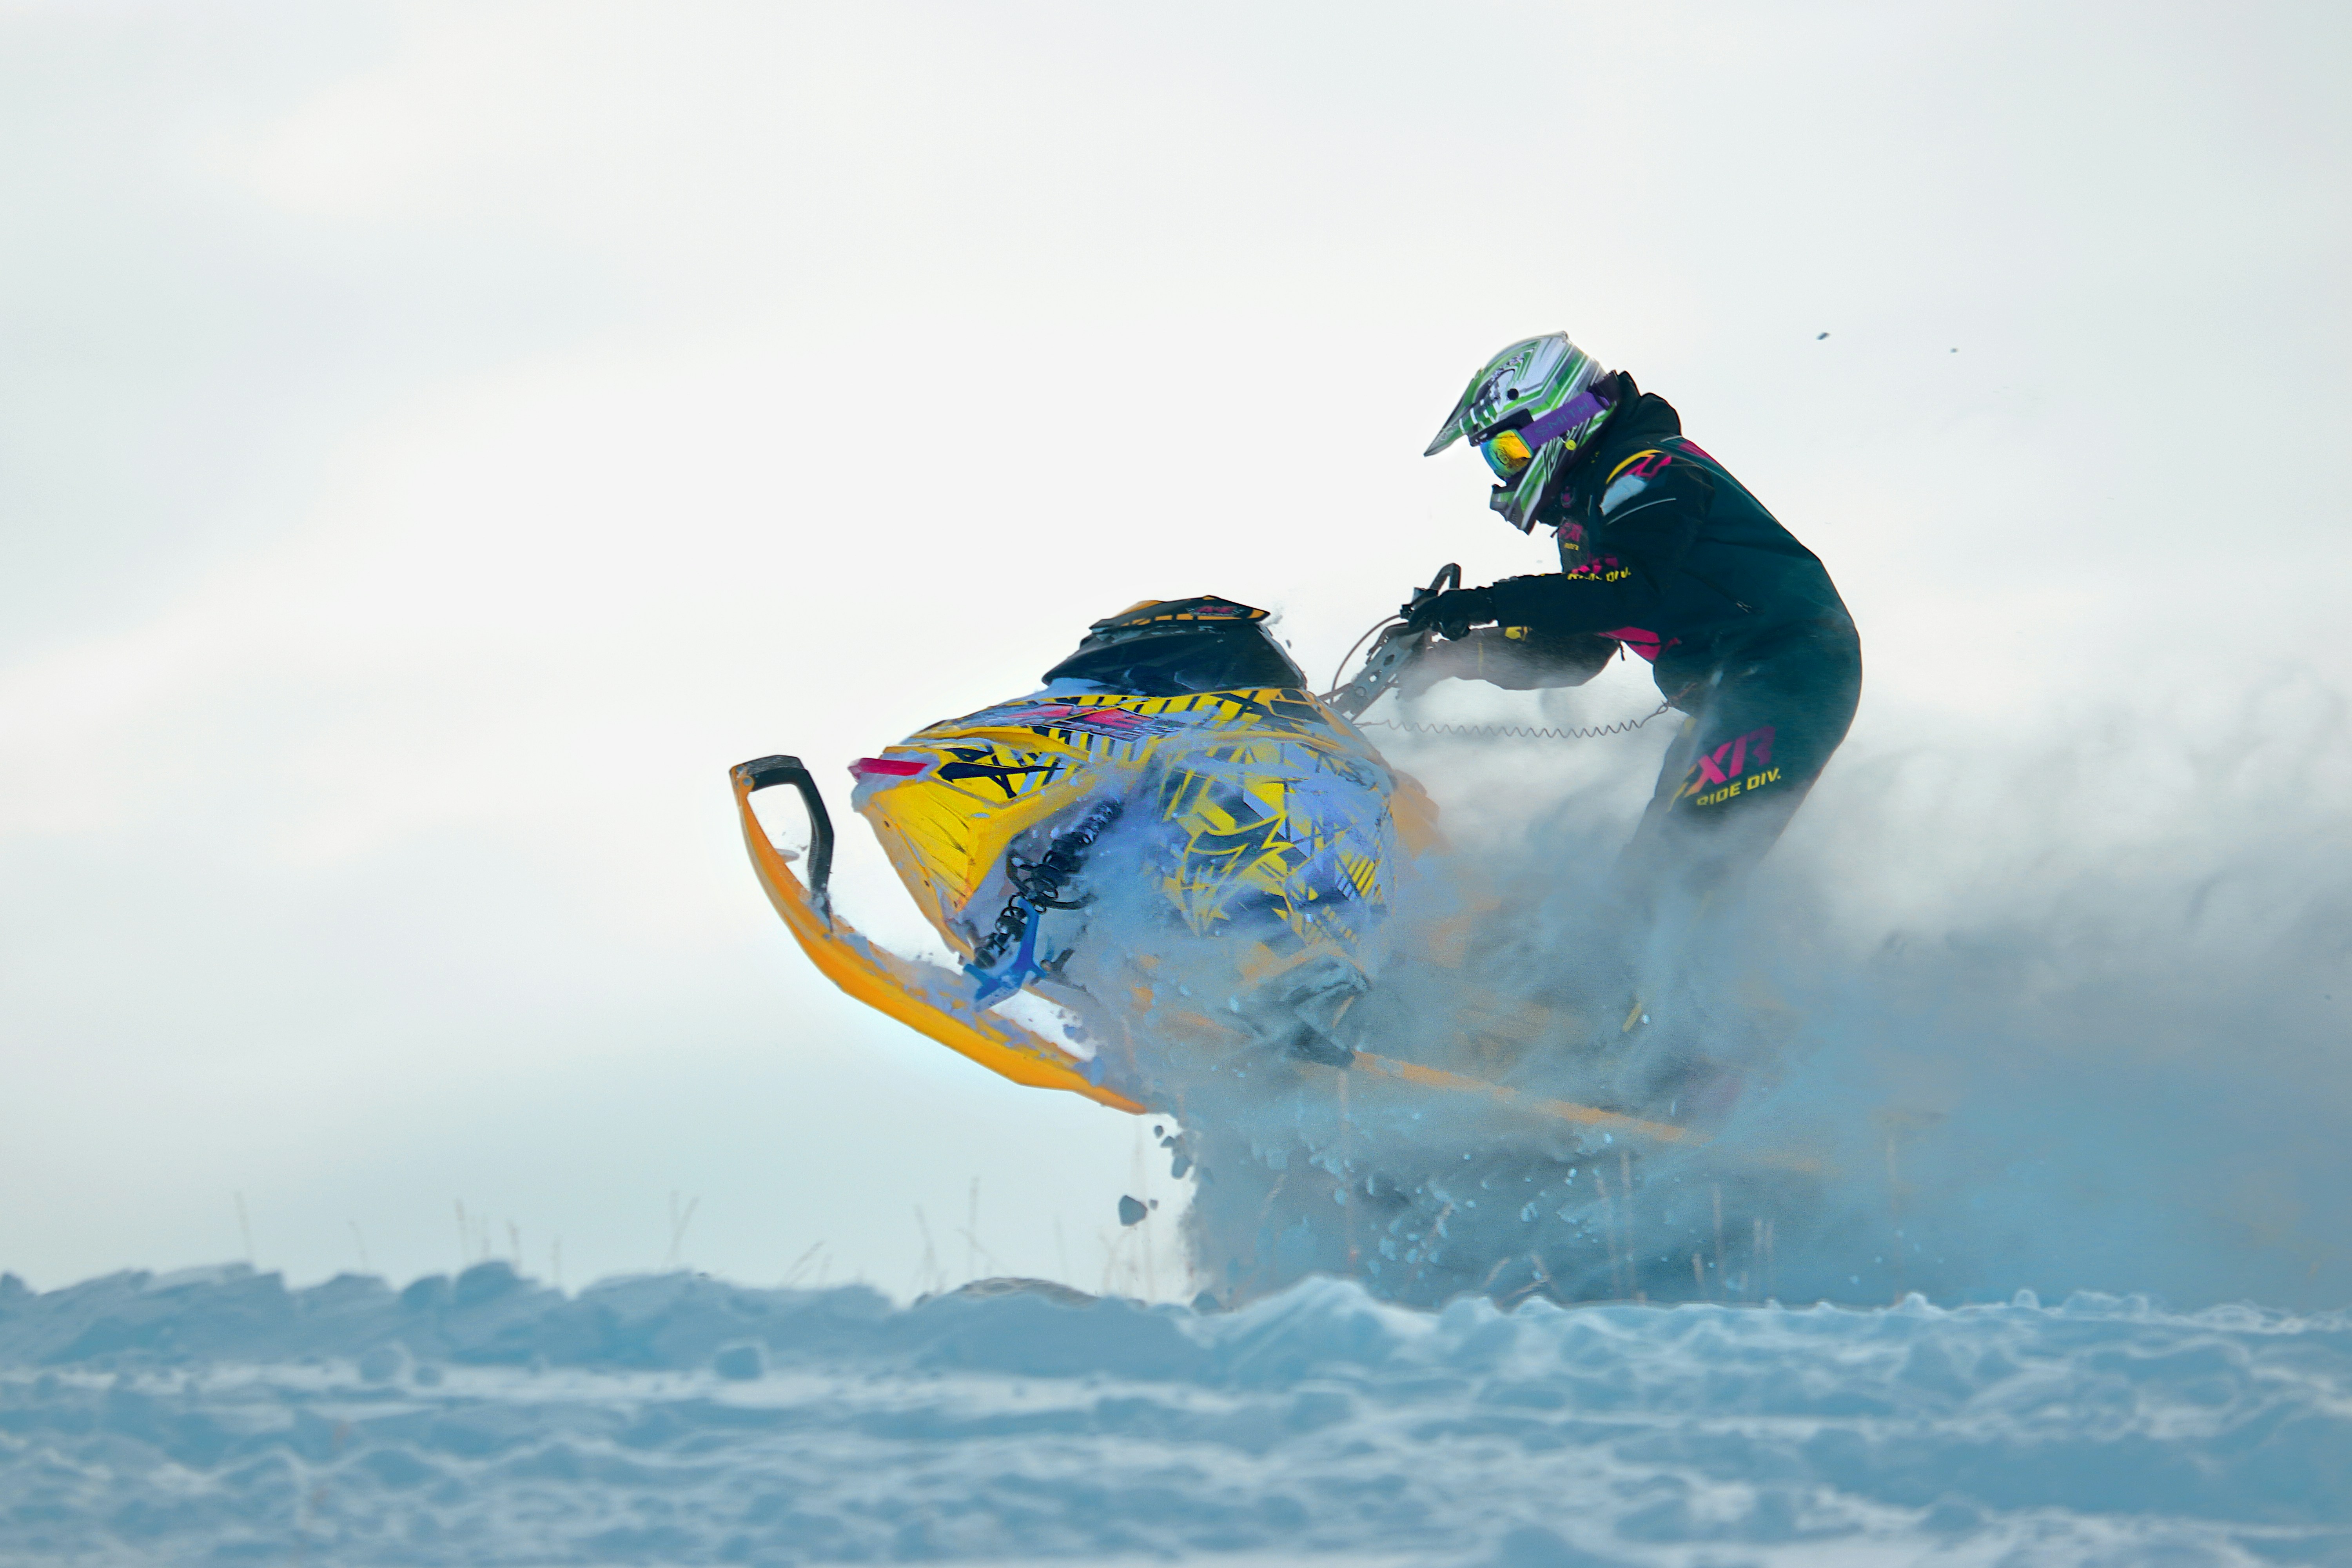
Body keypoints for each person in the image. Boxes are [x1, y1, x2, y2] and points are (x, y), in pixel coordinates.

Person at [1408, 332, 1862, 930]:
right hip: (1731, 691)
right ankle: (1619, 975)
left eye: (1509, 452)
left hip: (1786, 669)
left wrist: (1489, 602)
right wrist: (1452, 658)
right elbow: (1580, 648)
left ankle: (1647, 983)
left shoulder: (1646, 469)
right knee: (1647, 872)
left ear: (1559, 420)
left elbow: (1622, 592)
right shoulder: (1590, 515)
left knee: (1676, 871)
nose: (1506, 473)